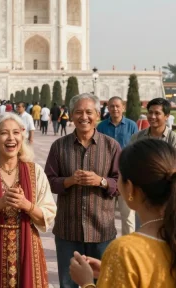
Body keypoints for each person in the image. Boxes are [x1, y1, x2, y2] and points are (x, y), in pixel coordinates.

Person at [69, 138, 176, 288]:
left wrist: (87, 282)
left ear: (130, 188)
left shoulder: (124, 251)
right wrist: (111, 271)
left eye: (120, 176)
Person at [0, 113, 57, 287]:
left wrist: (26, 205)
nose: (11, 138)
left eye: (16, 132)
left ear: (22, 137)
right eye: (4, 133)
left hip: (27, 248)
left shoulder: (35, 171)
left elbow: (48, 214)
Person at [44, 93, 121, 288]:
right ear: (70, 115)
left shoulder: (111, 146)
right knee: (67, 283)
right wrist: (69, 181)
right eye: (78, 112)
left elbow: (120, 183)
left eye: (89, 112)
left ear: (97, 115)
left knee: (102, 282)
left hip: (101, 229)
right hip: (68, 229)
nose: (83, 117)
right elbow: (48, 182)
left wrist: (101, 181)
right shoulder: (59, 146)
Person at [97, 96, 139, 235]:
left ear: (123, 108)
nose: (115, 109)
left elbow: (136, 149)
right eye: (112, 106)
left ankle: (128, 247)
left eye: (117, 106)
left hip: (126, 176)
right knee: (104, 215)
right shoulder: (101, 126)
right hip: (106, 175)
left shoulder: (132, 125)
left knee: (127, 215)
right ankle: (107, 245)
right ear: (107, 108)